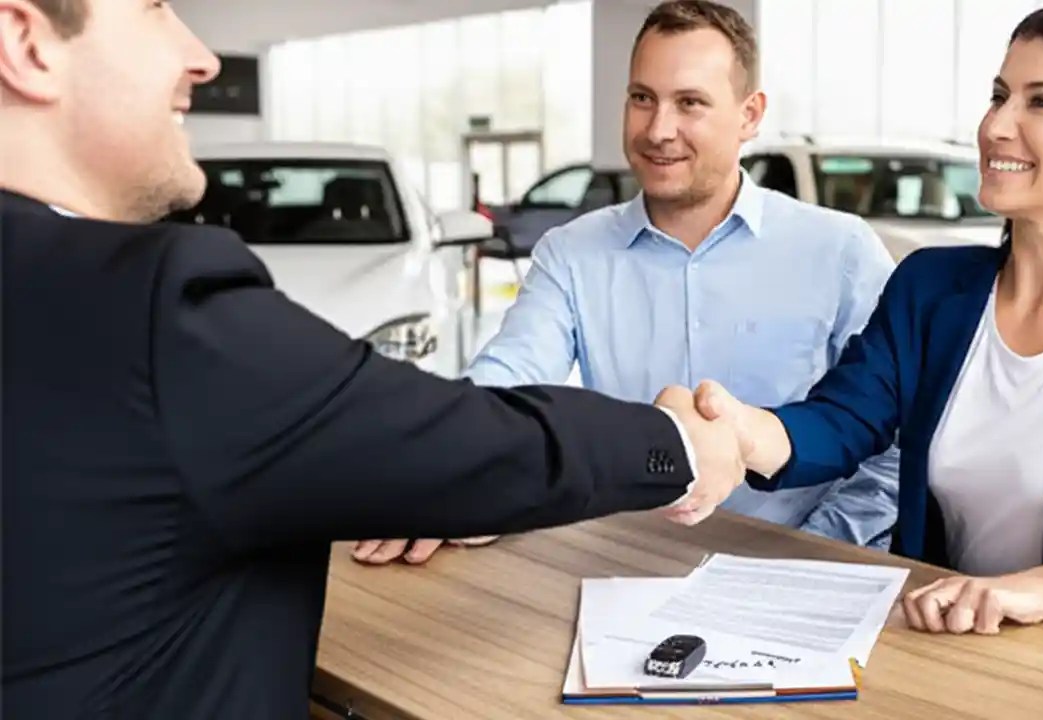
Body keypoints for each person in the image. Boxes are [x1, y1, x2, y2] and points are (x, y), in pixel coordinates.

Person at [0, 1, 747, 717]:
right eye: (155, 7)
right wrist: (678, 443)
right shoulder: (151, 303)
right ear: (28, 47)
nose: (202, 59)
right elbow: (470, 441)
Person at [682, 0, 1043, 639]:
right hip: (954, 650)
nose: (996, 125)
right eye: (999, 96)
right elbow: (839, 422)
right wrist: (740, 432)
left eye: (1041, 102)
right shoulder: (932, 287)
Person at [351, 0, 902, 567]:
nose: (658, 130)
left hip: (795, 563)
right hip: (622, 564)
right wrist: (449, 474)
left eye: (689, 103)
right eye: (642, 98)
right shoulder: (571, 254)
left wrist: (814, 551)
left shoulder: (839, 251)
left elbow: (898, 445)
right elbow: (507, 382)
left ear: (749, 114)